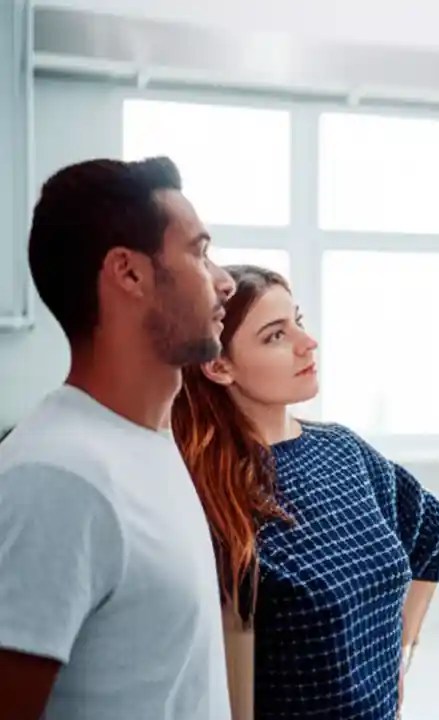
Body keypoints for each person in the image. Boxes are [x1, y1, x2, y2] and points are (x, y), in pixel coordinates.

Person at [0, 157, 236, 719]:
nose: (224, 279)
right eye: (199, 253)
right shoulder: (57, 476)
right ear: (128, 273)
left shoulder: (148, 441)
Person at [170, 264, 439, 720]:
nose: (308, 342)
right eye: (275, 336)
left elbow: (431, 532)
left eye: (297, 321)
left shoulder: (343, 450)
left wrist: (401, 652)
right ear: (219, 366)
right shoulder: (203, 491)